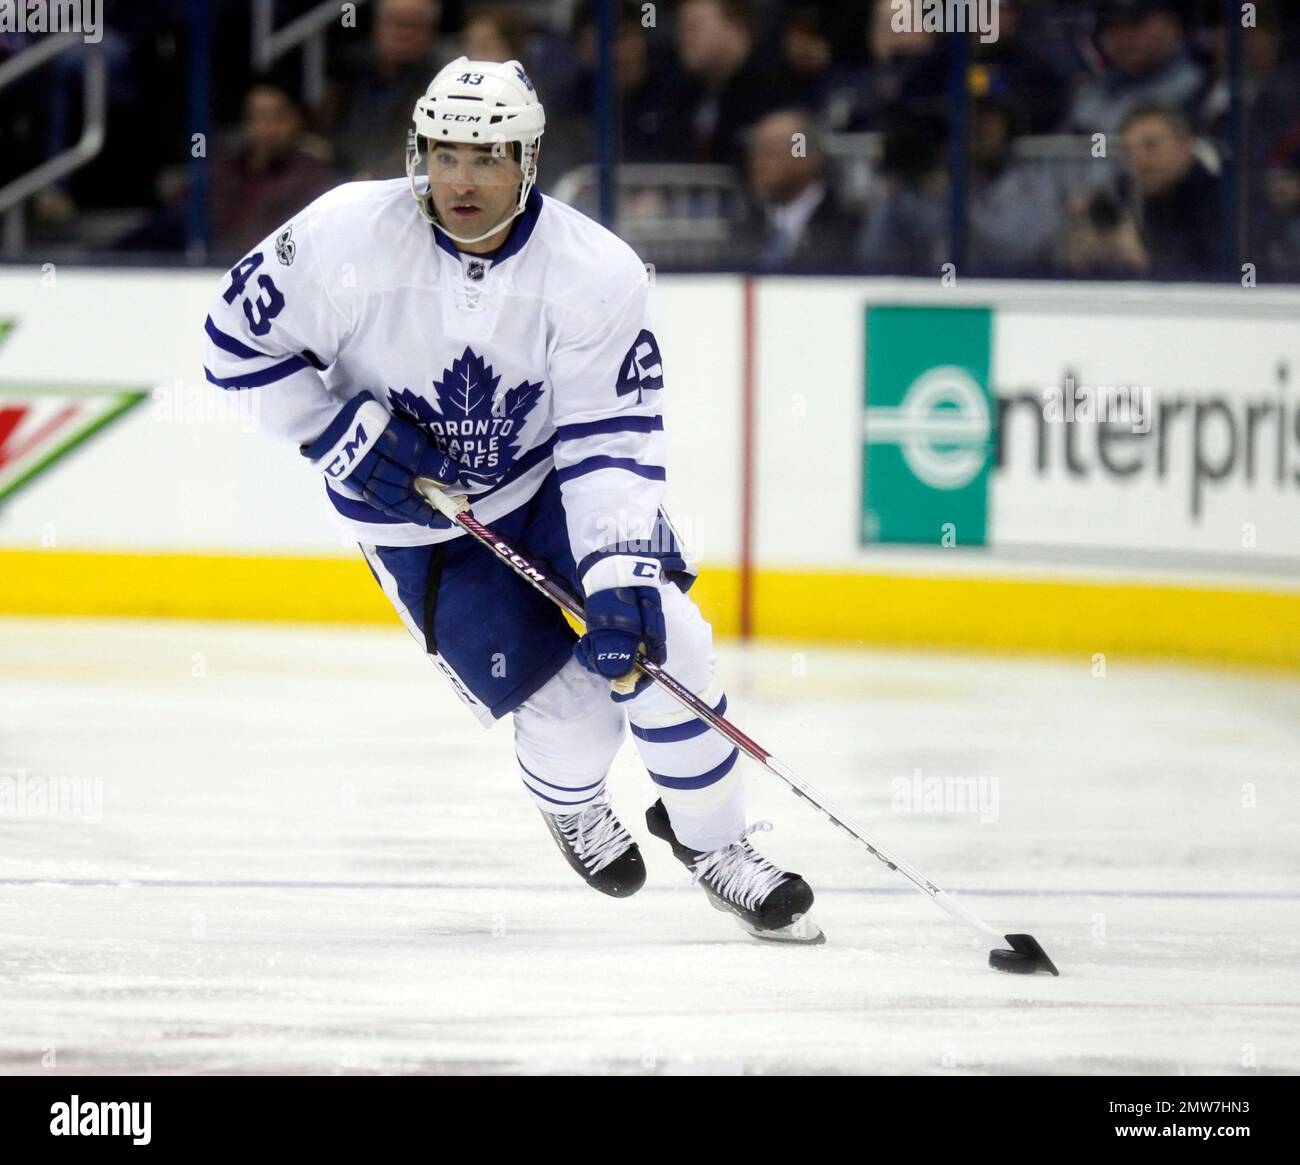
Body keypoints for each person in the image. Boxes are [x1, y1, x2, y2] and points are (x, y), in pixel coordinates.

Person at [201, 57, 822, 944]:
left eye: (487, 157)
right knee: (570, 718)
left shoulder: (596, 272)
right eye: (445, 154)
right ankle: (571, 803)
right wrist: (338, 436)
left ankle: (716, 845)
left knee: (666, 638)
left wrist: (615, 572)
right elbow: (232, 347)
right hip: (418, 522)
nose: (461, 180)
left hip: (548, 487)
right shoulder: (344, 234)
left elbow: (607, 437)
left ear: (529, 160)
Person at [736, 108, 859, 270]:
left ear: (808, 158)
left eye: (772, 151)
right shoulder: (743, 229)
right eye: (757, 151)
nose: (759, 162)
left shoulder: (851, 231)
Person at [1119, 102, 1223, 276]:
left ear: (1184, 146)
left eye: (1151, 146)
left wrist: (1141, 262)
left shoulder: (1223, 203)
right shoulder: (1128, 198)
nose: (1140, 160)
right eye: (1129, 151)